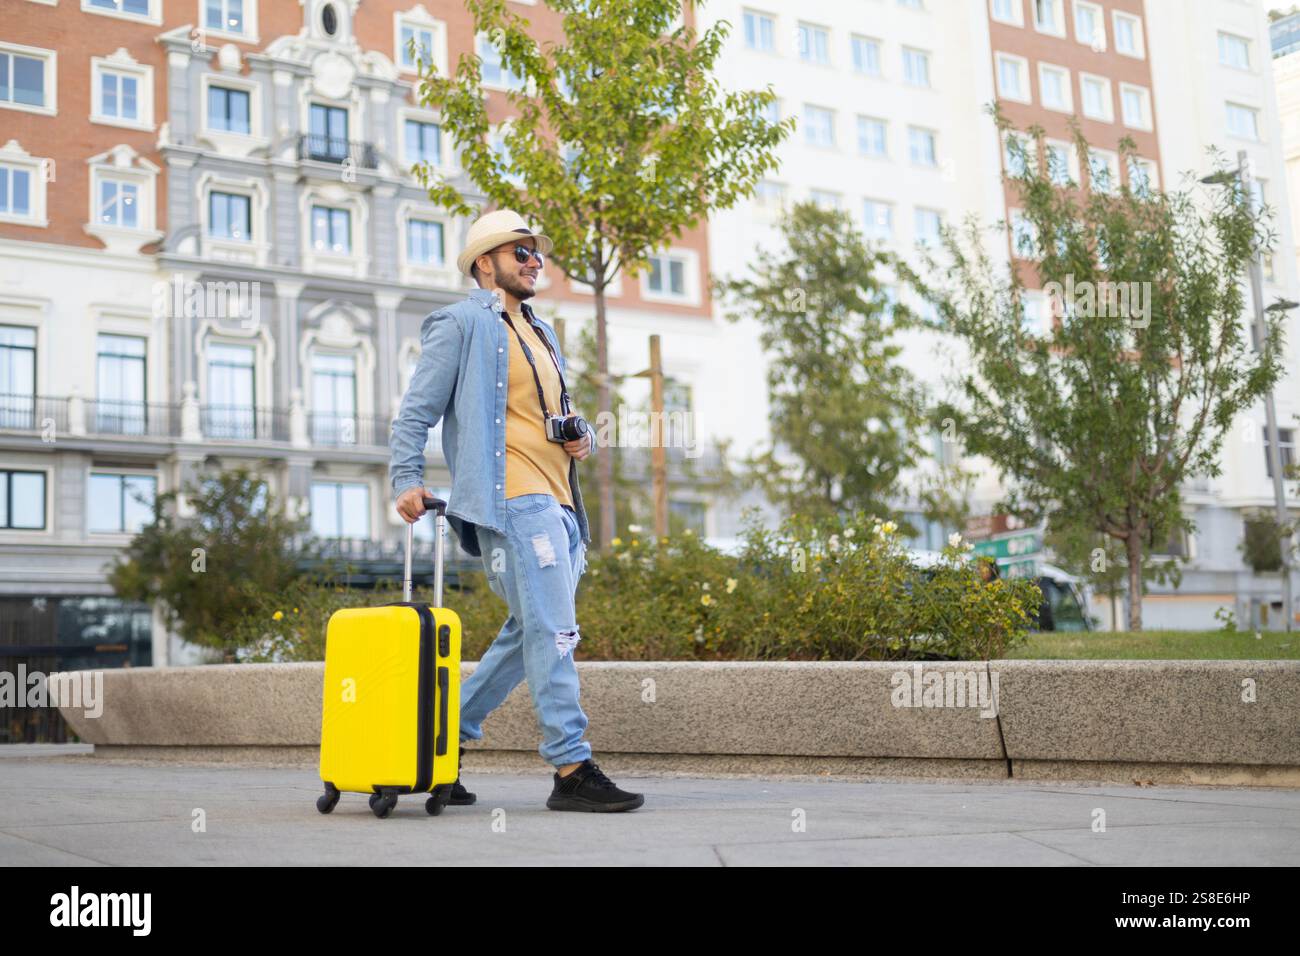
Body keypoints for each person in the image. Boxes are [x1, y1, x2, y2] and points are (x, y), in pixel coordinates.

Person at [389, 208, 644, 812]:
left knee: (529, 631)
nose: (536, 262)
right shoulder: (458, 324)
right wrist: (406, 479)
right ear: (486, 263)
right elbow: (414, 412)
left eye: (538, 254)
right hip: (511, 502)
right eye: (521, 252)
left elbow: (552, 416)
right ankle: (570, 766)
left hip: (560, 503)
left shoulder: (543, 332)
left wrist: (581, 438)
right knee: (553, 632)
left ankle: (435, 744)